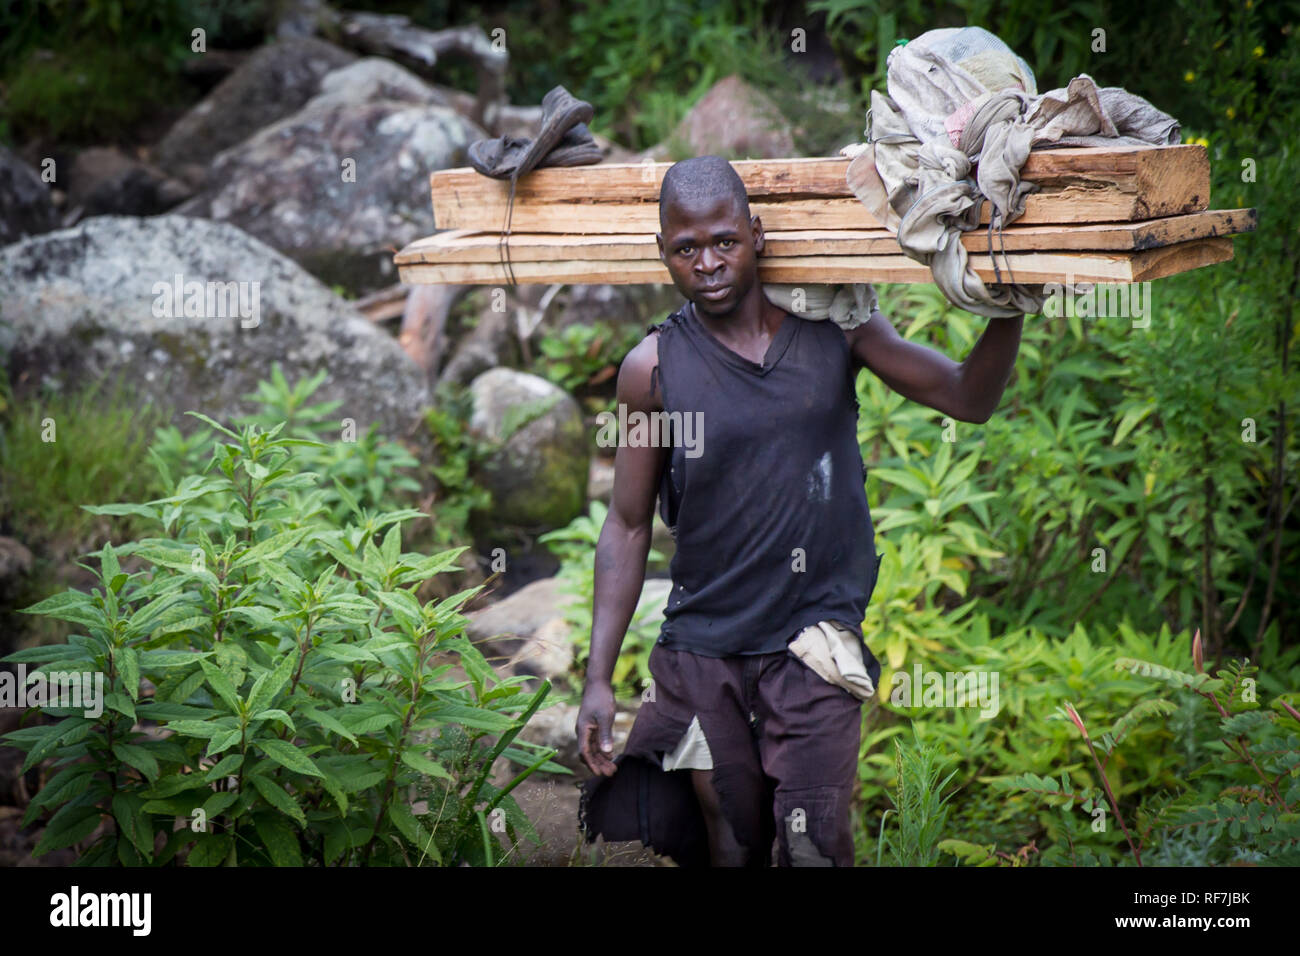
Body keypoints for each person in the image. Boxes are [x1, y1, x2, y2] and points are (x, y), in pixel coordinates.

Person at [575, 154, 1023, 867]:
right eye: (686, 249)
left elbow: (968, 398)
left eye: (724, 240)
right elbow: (628, 524)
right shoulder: (653, 371)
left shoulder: (834, 330)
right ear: (662, 255)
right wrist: (598, 677)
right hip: (702, 652)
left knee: (812, 841)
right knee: (728, 838)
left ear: (756, 234)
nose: (709, 263)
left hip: (814, 645)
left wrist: (1010, 305)